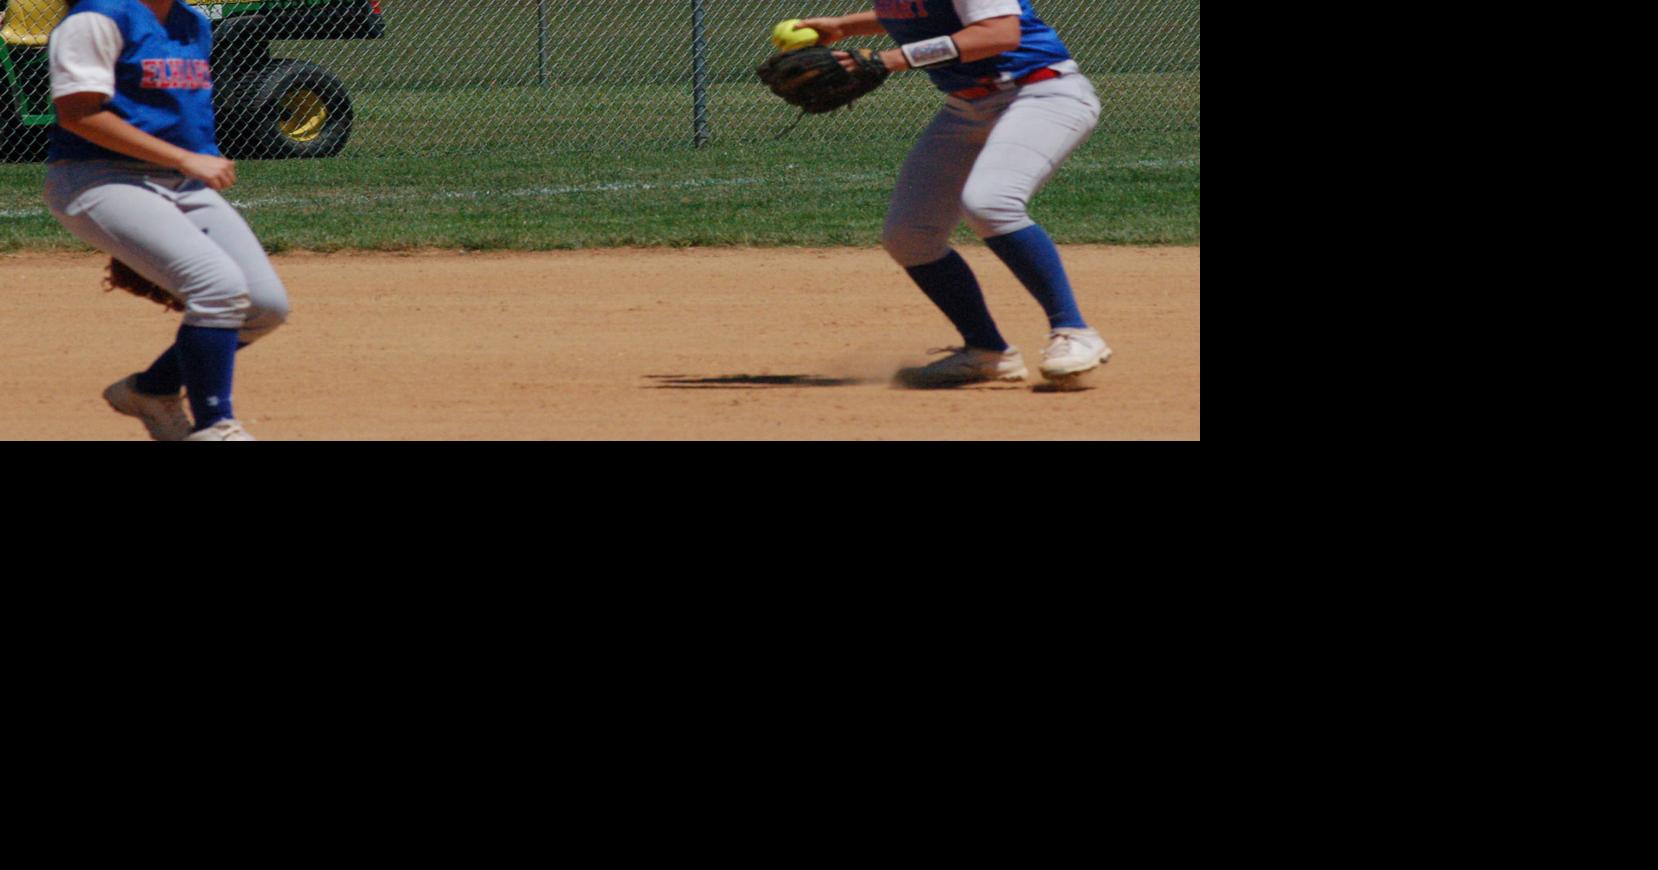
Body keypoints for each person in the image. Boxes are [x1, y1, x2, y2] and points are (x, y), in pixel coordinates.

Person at [797, 1, 1110, 387]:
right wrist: (844, 26)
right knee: (909, 235)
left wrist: (890, 59)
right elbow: (915, 11)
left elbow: (999, 33)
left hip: (1042, 92)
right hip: (967, 108)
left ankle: (1075, 332)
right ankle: (986, 352)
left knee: (991, 204)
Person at [43, 0, 288, 440]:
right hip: (98, 177)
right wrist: (183, 159)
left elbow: (182, 112)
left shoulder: (191, 22)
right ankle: (214, 426)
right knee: (219, 288)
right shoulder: (97, 18)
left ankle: (151, 390)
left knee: (265, 306)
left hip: (179, 183)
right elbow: (78, 114)